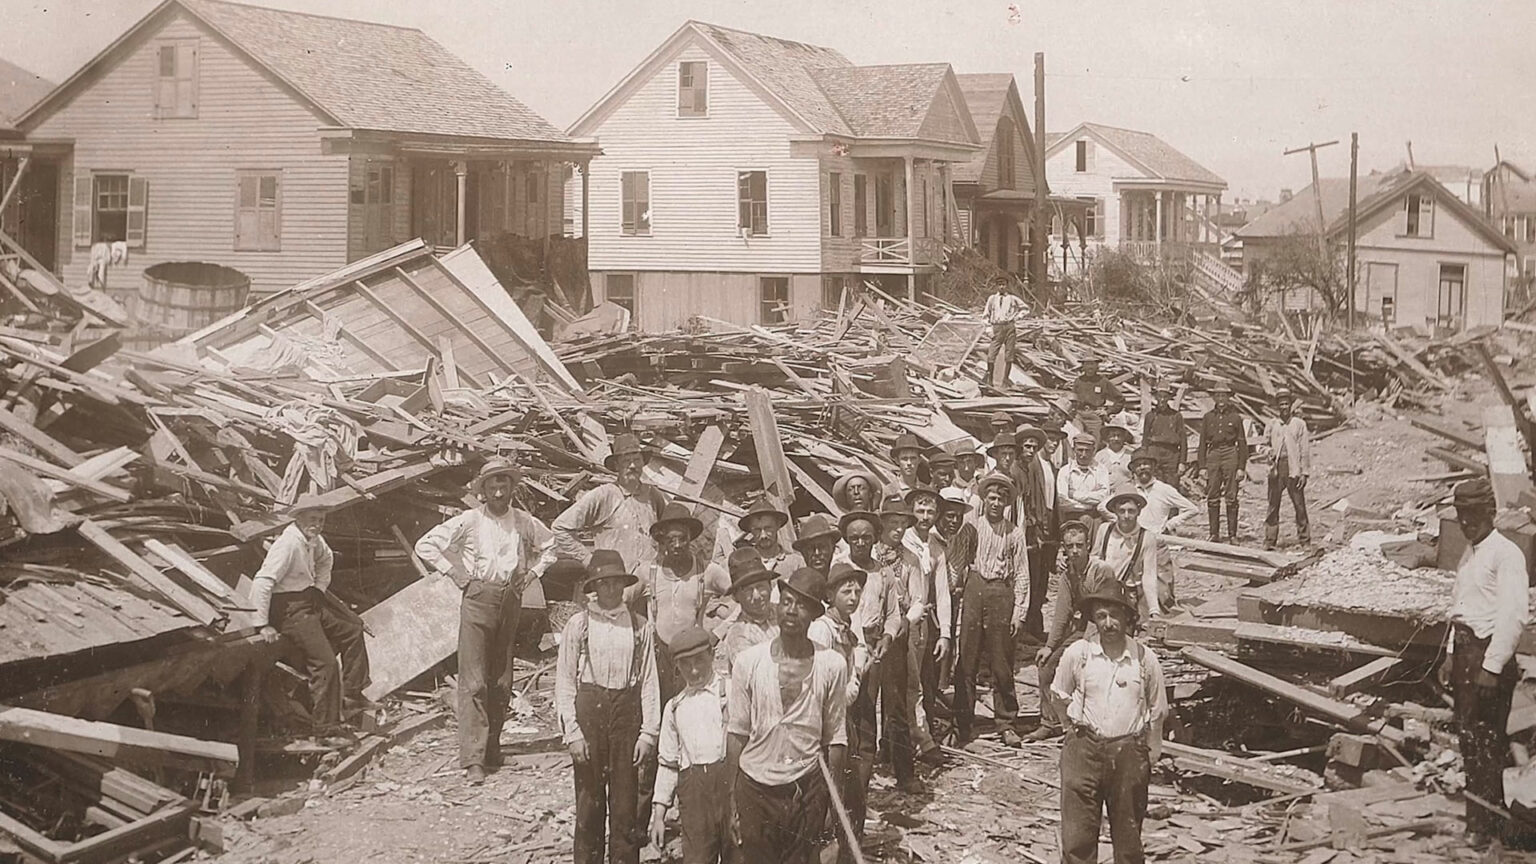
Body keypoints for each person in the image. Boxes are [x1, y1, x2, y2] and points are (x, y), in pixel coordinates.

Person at [414, 458, 553, 782]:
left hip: (510, 600)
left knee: (501, 681)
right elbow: (426, 545)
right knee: (474, 681)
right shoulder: (470, 520)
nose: (499, 490)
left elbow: (551, 547)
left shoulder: (522, 520)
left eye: (504, 484)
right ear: (484, 490)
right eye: (493, 485)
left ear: (511, 488)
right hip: (478, 599)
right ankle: (473, 759)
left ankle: (493, 750)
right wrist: (456, 574)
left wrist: (532, 573)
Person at [727, 568, 849, 864]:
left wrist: (834, 807)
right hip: (755, 788)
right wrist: (731, 801)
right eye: (786, 601)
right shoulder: (749, 662)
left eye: (802, 605)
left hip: (805, 789)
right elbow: (737, 734)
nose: (792, 611)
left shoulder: (831, 665)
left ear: (814, 615)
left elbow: (835, 738)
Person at [555, 550, 660, 864]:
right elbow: (564, 682)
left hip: (625, 718)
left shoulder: (640, 627)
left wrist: (648, 734)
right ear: (594, 587)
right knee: (589, 805)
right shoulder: (579, 625)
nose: (611, 590)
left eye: (617, 583)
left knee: (625, 807)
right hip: (590, 717)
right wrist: (572, 733)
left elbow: (649, 682)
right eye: (604, 583)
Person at [1051, 580, 1167, 864]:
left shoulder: (1144, 659)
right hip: (1083, 751)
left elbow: (1158, 708)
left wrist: (1152, 750)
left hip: (1128, 753)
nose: (1108, 623)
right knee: (1077, 837)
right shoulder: (1078, 653)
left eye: (1115, 615)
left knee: (1128, 838)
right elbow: (1058, 694)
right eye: (1101, 616)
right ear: (1093, 619)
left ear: (1128, 618)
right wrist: (1071, 730)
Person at [251, 494, 371, 741]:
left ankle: (351, 696)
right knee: (326, 663)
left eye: (321, 519)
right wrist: (262, 625)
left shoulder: (314, 539)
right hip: (288, 608)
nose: (317, 524)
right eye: (313, 519)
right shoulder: (288, 544)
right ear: (299, 518)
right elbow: (262, 582)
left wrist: (319, 588)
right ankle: (325, 728)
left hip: (308, 599)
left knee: (353, 630)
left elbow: (327, 560)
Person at [1449, 478, 1529, 848]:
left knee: (1487, 743)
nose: (1467, 523)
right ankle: (1480, 820)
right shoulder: (1471, 552)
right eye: (1462, 516)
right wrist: (1451, 656)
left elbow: (1513, 616)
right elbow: (1462, 608)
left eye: (1474, 516)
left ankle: (1486, 825)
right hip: (1466, 654)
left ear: (1491, 514)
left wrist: (1492, 667)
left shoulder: (1506, 553)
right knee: (1470, 742)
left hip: (1486, 657)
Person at [954, 473, 1030, 747]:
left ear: (1008, 503)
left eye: (1002, 499)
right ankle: (962, 722)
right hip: (975, 589)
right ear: (984, 499)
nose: (997, 503)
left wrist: (1019, 612)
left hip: (1001, 592)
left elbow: (1022, 574)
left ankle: (1006, 722)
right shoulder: (971, 526)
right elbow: (959, 563)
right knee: (968, 658)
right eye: (992, 498)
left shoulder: (1015, 533)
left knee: (1001, 661)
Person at [631, 503, 731, 704]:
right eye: (670, 540)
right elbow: (620, 601)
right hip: (660, 656)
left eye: (682, 538)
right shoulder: (647, 572)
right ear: (662, 542)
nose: (677, 545)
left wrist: (717, 634)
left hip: (695, 655)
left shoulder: (707, 571)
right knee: (660, 709)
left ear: (690, 539)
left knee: (696, 707)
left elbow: (743, 598)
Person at [1026, 521, 1116, 742]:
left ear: (1088, 546)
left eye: (1079, 545)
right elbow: (1062, 614)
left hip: (1109, 629)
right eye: (1070, 546)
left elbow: (1105, 612)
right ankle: (1050, 721)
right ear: (1064, 549)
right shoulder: (1068, 576)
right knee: (1046, 665)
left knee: (1085, 669)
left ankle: (1086, 725)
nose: (1075, 551)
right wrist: (1049, 646)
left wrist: (1085, 646)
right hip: (1085, 629)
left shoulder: (1101, 570)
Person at [649, 626, 732, 864]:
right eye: (685, 664)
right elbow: (668, 764)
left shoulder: (731, 691)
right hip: (694, 794)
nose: (694, 670)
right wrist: (659, 815)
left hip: (730, 788)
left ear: (711, 655)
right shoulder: (675, 708)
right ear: (677, 666)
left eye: (699, 661)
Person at [809, 563, 871, 864]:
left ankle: (845, 854)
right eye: (846, 591)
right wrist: (849, 688)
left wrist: (855, 674)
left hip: (844, 716)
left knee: (850, 793)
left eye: (857, 591)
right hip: (827, 720)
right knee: (831, 794)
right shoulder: (821, 628)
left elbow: (859, 653)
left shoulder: (846, 623)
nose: (853, 597)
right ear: (830, 594)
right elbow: (822, 678)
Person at [870, 495, 925, 790]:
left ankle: (905, 773)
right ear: (882, 524)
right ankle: (873, 759)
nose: (898, 529)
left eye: (902, 524)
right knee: (866, 699)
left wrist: (906, 621)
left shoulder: (911, 560)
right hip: (868, 636)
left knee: (896, 703)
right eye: (893, 523)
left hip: (897, 635)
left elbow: (918, 600)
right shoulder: (869, 556)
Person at [554, 433, 667, 569]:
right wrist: (588, 560)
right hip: (617, 582)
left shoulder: (652, 495)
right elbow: (560, 527)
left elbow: (666, 531)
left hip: (650, 581)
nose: (632, 466)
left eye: (637, 460)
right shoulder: (604, 494)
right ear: (616, 465)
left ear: (643, 463)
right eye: (626, 461)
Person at [904, 485, 953, 760]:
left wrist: (945, 633)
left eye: (930, 512)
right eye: (920, 511)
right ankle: (915, 740)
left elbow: (943, 592)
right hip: (901, 621)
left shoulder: (936, 547)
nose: (924, 517)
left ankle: (919, 738)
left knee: (919, 682)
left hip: (923, 624)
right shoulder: (903, 541)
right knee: (907, 684)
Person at [1092, 486, 1171, 620]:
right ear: (1115, 511)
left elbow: (1149, 575)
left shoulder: (1147, 537)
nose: (1126, 516)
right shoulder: (1104, 530)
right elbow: (1094, 559)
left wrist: (1154, 610)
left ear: (1139, 512)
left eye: (1131, 511)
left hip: (1129, 595)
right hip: (1103, 591)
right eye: (1122, 511)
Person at [1015, 426, 1057, 639]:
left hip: (1037, 528)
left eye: (1034, 447)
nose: (1030, 450)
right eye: (1027, 446)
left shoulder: (1031, 466)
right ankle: (1026, 626)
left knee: (1039, 579)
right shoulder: (1018, 470)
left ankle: (1033, 624)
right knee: (1028, 579)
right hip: (1026, 531)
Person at [714, 548, 779, 679]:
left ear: (770, 585)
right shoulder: (738, 635)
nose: (756, 596)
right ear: (736, 596)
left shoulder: (784, 613)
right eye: (748, 591)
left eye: (761, 586)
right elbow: (757, 678)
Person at [1197, 382, 1248, 543]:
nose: (1220, 399)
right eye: (1218, 395)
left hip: (1230, 453)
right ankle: (1214, 534)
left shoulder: (1235, 417)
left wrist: (1241, 467)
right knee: (1212, 494)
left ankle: (1232, 535)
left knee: (1231, 495)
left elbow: (1242, 443)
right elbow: (1202, 442)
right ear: (1214, 397)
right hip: (1213, 454)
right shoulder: (1208, 417)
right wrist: (1202, 466)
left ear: (1228, 398)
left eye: (1223, 395)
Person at [1263, 390, 1311, 549]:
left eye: (1286, 404)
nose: (1284, 407)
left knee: (1299, 506)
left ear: (1291, 405)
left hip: (1293, 469)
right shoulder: (1272, 424)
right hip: (1276, 468)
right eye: (1281, 404)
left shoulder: (1299, 424)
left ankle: (1305, 540)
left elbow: (1304, 450)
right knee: (1273, 505)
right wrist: (1267, 452)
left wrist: (1304, 473)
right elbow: (1262, 445)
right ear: (1277, 406)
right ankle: (1270, 540)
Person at [1057, 434, 1111, 558]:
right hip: (1072, 519)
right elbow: (1063, 502)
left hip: (1096, 519)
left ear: (1094, 451)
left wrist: (1075, 494)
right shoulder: (1065, 471)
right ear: (1074, 449)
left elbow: (1103, 495)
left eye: (1088, 451)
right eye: (1080, 450)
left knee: (1095, 553)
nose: (1083, 454)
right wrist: (1088, 505)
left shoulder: (1101, 470)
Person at [1126, 449, 1198, 535]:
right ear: (1133, 469)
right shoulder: (1130, 490)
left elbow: (1192, 509)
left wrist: (1169, 525)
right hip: (1134, 539)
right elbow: (1106, 507)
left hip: (1157, 539)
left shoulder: (1164, 489)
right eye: (1138, 465)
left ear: (1153, 466)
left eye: (1146, 463)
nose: (1142, 467)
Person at [738, 498, 803, 578]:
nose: (763, 535)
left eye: (768, 528)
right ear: (750, 530)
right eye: (757, 530)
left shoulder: (795, 563)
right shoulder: (744, 565)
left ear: (778, 526)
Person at [1142, 381, 1188, 490]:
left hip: (1171, 454)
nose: (1162, 399)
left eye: (1164, 397)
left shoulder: (1176, 416)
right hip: (1154, 453)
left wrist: (1182, 462)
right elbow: (1145, 439)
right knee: (1154, 486)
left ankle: (1172, 507)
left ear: (1168, 398)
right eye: (1159, 396)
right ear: (1156, 397)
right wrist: (1145, 458)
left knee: (1171, 487)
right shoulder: (1150, 416)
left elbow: (1183, 441)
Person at [983, 281, 1027, 389]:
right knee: (991, 355)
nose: (1002, 287)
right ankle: (989, 379)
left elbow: (1025, 309)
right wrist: (989, 330)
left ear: (1007, 286)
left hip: (1009, 327)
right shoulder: (992, 299)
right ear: (996, 286)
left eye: (1004, 284)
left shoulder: (1012, 298)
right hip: (997, 327)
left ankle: (1005, 380)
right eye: (999, 284)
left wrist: (1017, 317)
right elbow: (985, 316)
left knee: (1009, 355)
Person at [887, 433, 928, 499]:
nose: (909, 463)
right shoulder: (889, 491)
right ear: (897, 460)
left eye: (913, 458)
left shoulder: (927, 491)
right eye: (904, 459)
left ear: (919, 460)